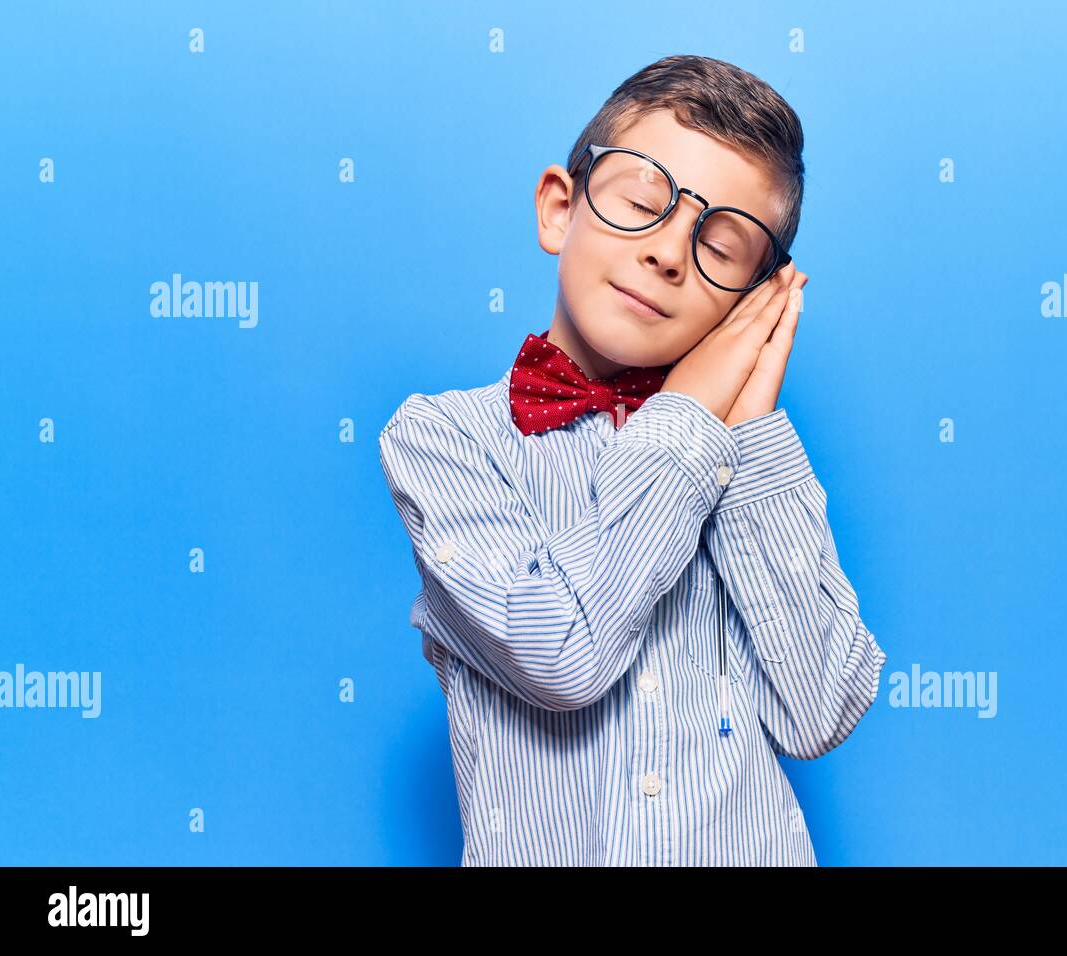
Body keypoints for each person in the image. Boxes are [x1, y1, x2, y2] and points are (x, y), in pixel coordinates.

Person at [378, 54, 886, 866]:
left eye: (720, 245)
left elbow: (821, 708)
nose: (668, 254)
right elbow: (562, 655)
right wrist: (687, 417)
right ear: (558, 209)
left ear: (756, 298)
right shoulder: (443, 439)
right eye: (643, 203)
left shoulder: (741, 465)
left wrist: (746, 434)